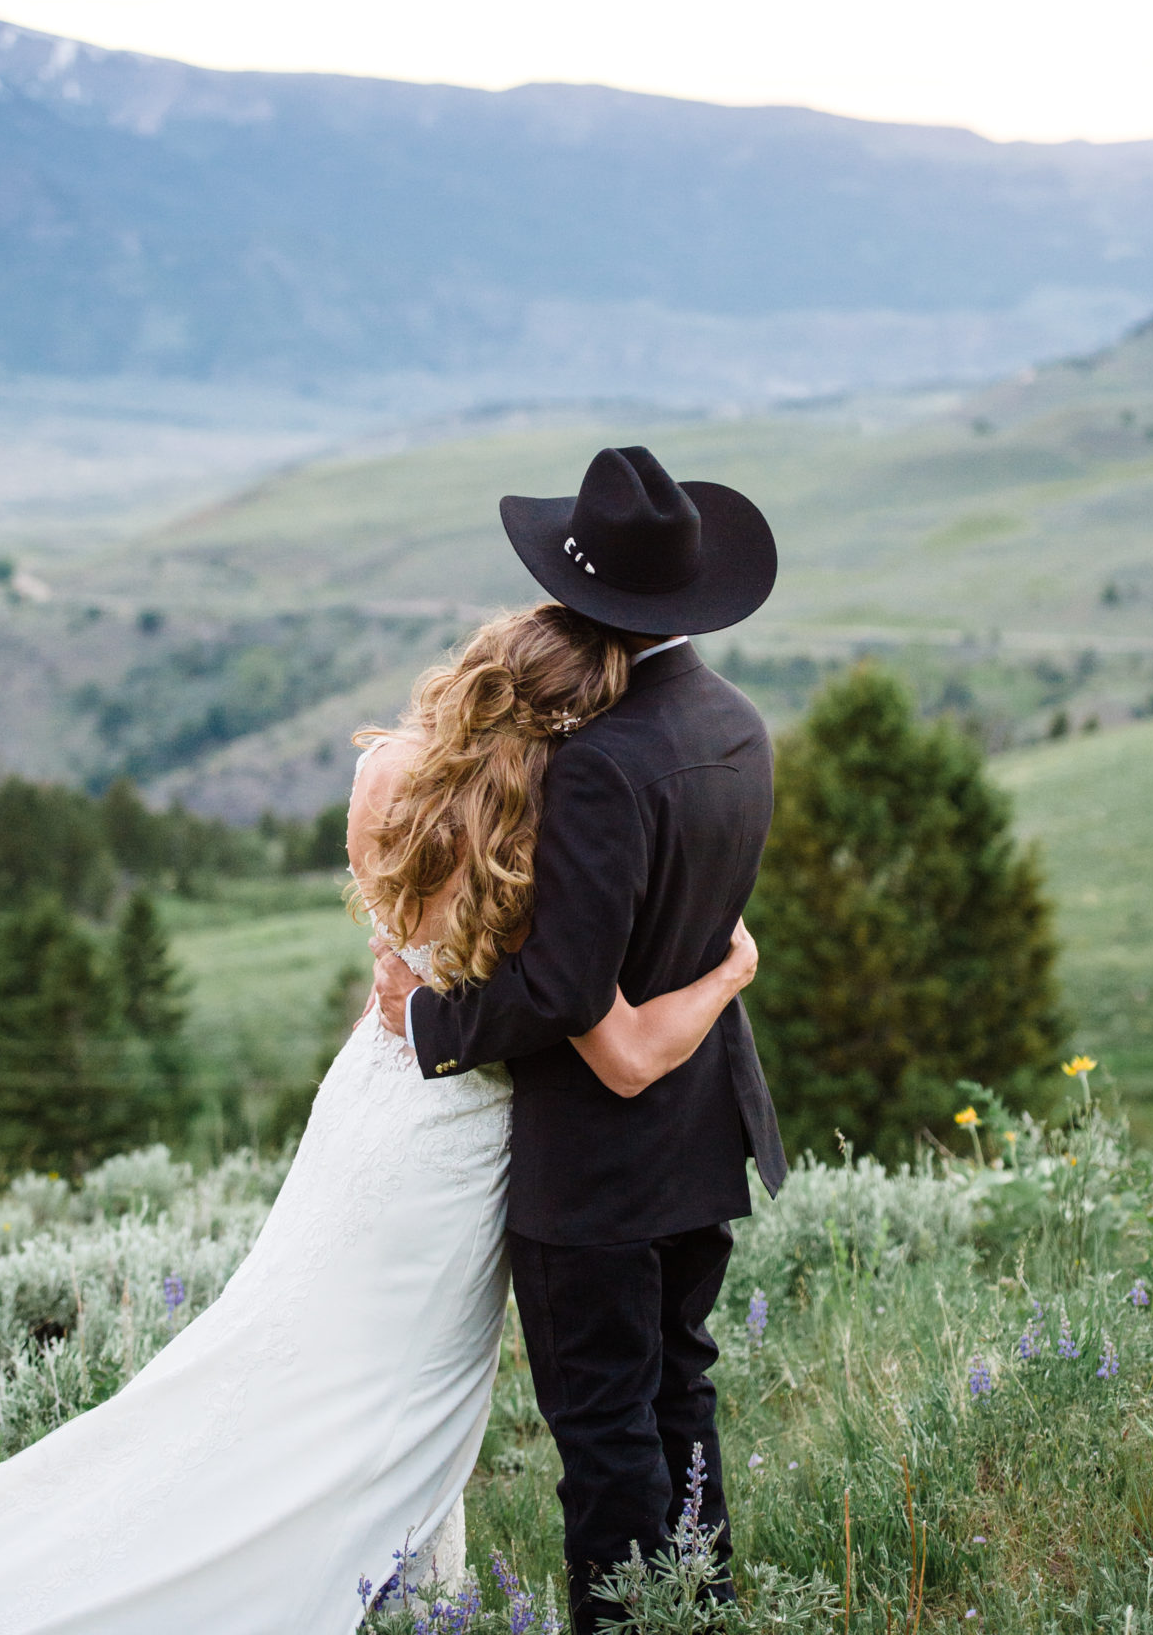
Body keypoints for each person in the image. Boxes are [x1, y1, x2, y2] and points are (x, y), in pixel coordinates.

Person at [0, 584, 759, 1631]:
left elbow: (421, 960)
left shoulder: (420, 780)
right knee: (420, 1381)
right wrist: (727, 970)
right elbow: (594, 1021)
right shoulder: (569, 805)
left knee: (329, 1349)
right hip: (468, 1124)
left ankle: (422, 1575)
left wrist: (422, 996)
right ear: (563, 713)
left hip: (385, 1106)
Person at [374, 442, 786, 1635]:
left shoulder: (600, 762)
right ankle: (697, 1614)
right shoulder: (739, 723)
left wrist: (425, 1017)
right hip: (700, 1133)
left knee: (605, 1429)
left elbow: (560, 983)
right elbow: (691, 930)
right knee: (678, 1399)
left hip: (599, 1165)